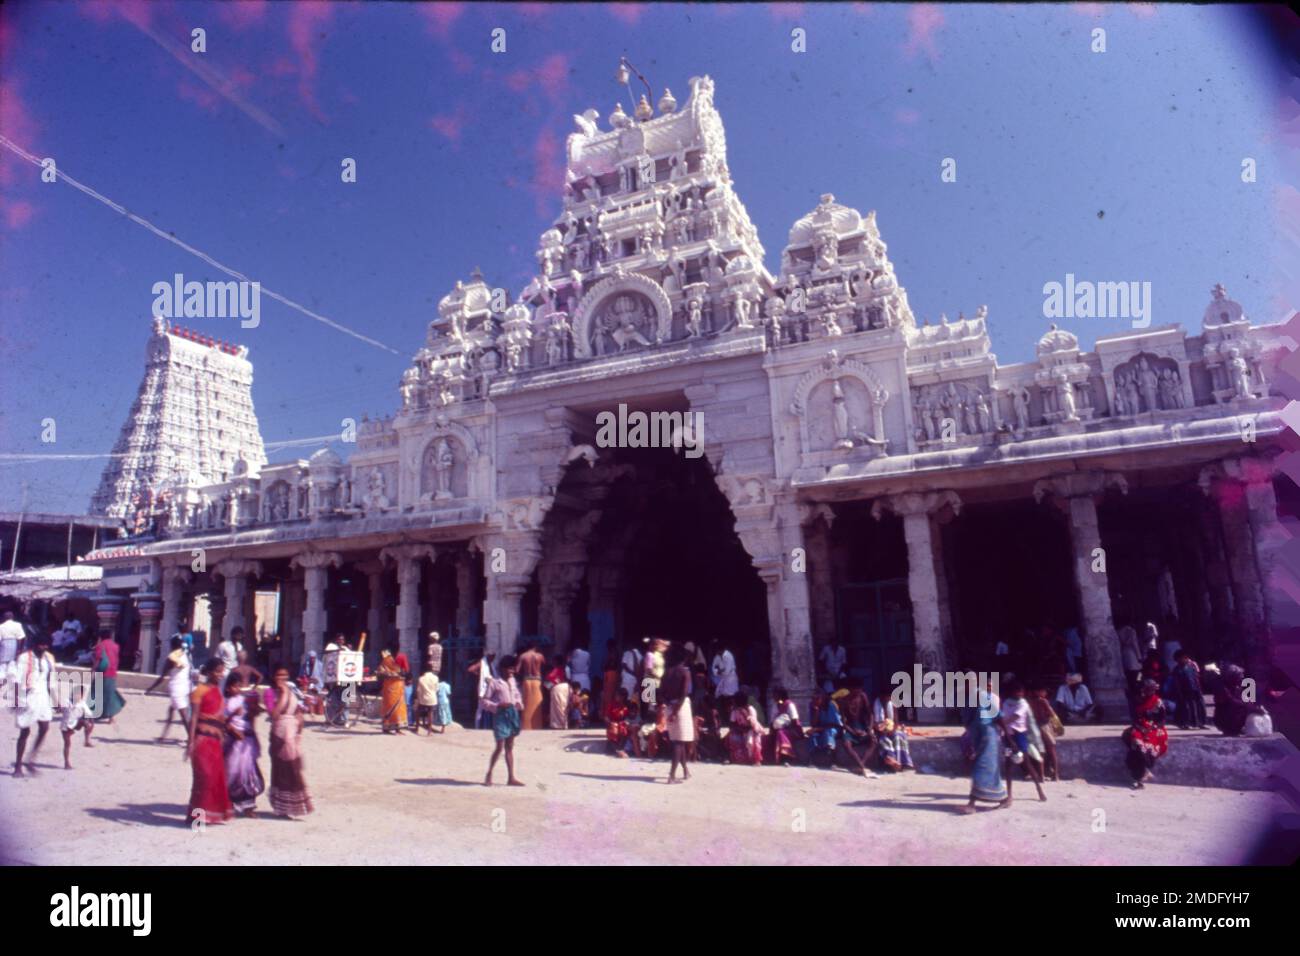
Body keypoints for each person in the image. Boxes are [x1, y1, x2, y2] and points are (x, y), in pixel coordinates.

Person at [186, 659, 233, 825]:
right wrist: (190, 742)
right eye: (217, 671)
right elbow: (193, 718)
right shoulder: (199, 691)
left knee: (214, 778)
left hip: (215, 742)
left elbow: (220, 717)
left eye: (222, 672)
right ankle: (196, 817)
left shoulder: (217, 691)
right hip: (202, 740)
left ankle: (205, 815)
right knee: (203, 778)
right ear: (210, 672)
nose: (220, 675)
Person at [268, 666, 314, 817]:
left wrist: (299, 728)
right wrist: (284, 695)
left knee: (294, 769)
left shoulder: (291, 692)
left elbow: (299, 711)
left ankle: (295, 805)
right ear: (274, 677)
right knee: (282, 771)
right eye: (279, 676)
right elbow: (274, 715)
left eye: (285, 677)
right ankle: (282, 808)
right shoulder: (270, 693)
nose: (283, 680)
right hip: (279, 735)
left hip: (291, 735)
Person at [958, 683, 1009, 813]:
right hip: (977, 737)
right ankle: (1003, 799)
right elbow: (967, 721)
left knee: (980, 769)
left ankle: (971, 804)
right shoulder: (965, 699)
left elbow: (997, 716)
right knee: (990, 771)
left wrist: (1008, 736)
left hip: (988, 736)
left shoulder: (981, 696)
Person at [223, 673, 265, 818]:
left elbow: (250, 718)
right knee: (233, 774)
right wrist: (233, 728)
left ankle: (249, 807)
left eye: (239, 686)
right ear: (228, 688)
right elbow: (224, 722)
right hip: (235, 742)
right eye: (234, 686)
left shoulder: (244, 700)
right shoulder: (226, 703)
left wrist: (255, 712)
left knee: (249, 774)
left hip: (247, 741)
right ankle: (230, 803)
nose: (238, 688)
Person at [12, 635, 54, 776]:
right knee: (25, 732)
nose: (43, 648)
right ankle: (18, 766)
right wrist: (17, 700)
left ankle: (30, 759)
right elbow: (17, 680)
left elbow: (50, 680)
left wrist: (55, 699)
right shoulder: (25, 658)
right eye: (41, 645)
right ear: (35, 645)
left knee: (45, 727)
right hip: (28, 696)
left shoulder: (48, 659)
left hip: (43, 697)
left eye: (45, 645)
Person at [999, 680, 1047, 801]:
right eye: (1017, 692)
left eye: (1021, 692)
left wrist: (999, 723)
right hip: (1008, 736)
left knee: (1026, 762)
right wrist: (1003, 728)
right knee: (1008, 764)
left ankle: (1039, 789)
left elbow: (1013, 717)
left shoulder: (1023, 703)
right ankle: (1009, 795)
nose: (1019, 694)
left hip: (1020, 735)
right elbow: (1004, 716)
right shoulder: (1007, 702)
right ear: (1012, 692)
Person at [482, 654, 524, 786]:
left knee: (510, 747)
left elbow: (517, 695)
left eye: (513, 669)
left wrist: (518, 703)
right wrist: (497, 706)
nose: (511, 671)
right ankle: (489, 774)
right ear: (502, 669)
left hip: (513, 715)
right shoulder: (494, 683)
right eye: (509, 669)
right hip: (500, 716)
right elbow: (484, 701)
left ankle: (511, 777)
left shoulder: (512, 681)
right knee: (499, 747)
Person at [1123, 678, 1168, 789]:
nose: (1145, 692)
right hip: (1140, 727)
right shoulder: (1137, 701)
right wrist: (1140, 728)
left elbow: (1162, 720)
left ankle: (1140, 774)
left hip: (1155, 729)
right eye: (1144, 690)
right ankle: (1139, 776)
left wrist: (1153, 727)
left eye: (1148, 690)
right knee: (1137, 744)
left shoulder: (1158, 702)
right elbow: (1134, 719)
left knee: (1149, 745)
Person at [147, 636, 193, 742]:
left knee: (184, 716)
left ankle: (191, 738)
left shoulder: (171, 659)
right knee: (171, 711)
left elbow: (162, 677)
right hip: (184, 686)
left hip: (177, 689)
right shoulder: (184, 655)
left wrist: (150, 688)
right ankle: (163, 736)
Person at [661, 645, 694, 783]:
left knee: (677, 740)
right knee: (679, 743)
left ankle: (685, 770)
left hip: (669, 706)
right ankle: (672, 775)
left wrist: (670, 706)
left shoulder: (666, 672)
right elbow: (684, 694)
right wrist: (675, 711)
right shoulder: (684, 672)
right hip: (681, 707)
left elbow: (661, 693)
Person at [1213, 664, 1265, 737]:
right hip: (1224, 718)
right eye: (1240, 675)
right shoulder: (1222, 688)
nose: (1242, 677)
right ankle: (1230, 728)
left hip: (1231, 715)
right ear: (1233, 676)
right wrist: (1250, 707)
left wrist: (1252, 704)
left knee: (1247, 707)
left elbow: (1242, 698)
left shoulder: (1236, 686)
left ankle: (1237, 728)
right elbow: (1231, 701)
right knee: (1242, 708)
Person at [89, 629, 127, 724]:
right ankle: (111, 717)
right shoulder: (116, 646)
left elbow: (98, 660)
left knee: (96, 692)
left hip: (102, 672)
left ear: (101, 637)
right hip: (112, 672)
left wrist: (92, 669)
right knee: (110, 694)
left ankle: (94, 714)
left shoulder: (100, 646)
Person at [839, 687, 879, 775]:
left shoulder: (862, 697)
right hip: (851, 728)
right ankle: (861, 766)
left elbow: (870, 714)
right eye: (857, 690)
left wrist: (869, 729)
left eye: (861, 690)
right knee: (846, 744)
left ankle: (861, 764)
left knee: (874, 741)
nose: (860, 692)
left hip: (863, 727)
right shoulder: (844, 701)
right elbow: (843, 723)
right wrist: (853, 731)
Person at [1027, 684, 1061, 782]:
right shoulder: (1043, 701)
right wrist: (1058, 726)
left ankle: (1041, 775)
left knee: (1040, 751)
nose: (1045, 693)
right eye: (1043, 691)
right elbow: (1051, 713)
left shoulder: (1030, 702)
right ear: (1038, 691)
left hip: (1035, 727)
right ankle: (1056, 775)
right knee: (1052, 750)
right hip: (1045, 726)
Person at [872, 694, 914, 772]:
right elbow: (874, 723)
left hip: (891, 729)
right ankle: (890, 759)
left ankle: (899, 762)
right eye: (886, 698)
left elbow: (896, 721)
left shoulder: (893, 704)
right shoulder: (875, 704)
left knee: (898, 737)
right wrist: (880, 729)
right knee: (885, 740)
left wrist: (892, 730)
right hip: (881, 731)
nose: (888, 699)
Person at [60, 681, 95, 769]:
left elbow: (89, 714)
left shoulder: (82, 703)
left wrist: (89, 723)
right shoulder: (67, 701)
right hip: (66, 726)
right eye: (77, 694)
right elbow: (60, 708)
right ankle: (66, 762)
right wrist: (59, 708)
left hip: (76, 723)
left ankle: (87, 740)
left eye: (80, 695)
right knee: (67, 743)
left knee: (88, 722)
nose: (78, 696)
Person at [1170, 650, 1206, 730]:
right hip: (1184, 691)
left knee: (1198, 706)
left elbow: (1196, 678)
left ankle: (1199, 722)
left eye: (1186, 657)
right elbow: (1177, 683)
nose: (1186, 659)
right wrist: (1179, 692)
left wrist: (1199, 689)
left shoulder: (1191, 667)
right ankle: (1186, 723)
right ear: (1178, 659)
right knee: (1186, 708)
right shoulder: (1177, 670)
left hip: (1195, 690)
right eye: (1183, 658)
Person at [725, 693, 765, 766]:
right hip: (740, 730)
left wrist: (745, 714)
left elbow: (753, 723)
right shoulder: (734, 711)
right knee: (730, 737)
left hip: (752, 729)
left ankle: (756, 760)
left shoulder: (750, 709)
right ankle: (731, 758)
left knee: (753, 740)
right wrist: (739, 729)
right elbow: (732, 724)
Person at [770, 686, 805, 766]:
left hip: (793, 729)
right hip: (779, 729)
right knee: (773, 735)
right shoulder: (775, 705)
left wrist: (785, 727)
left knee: (781, 733)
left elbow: (794, 720)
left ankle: (786, 757)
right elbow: (772, 722)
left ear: (781, 695)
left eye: (775, 695)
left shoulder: (789, 704)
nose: (773, 696)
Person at [517, 641, 546, 731]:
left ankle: (526, 726)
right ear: (535, 647)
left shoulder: (523, 656)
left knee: (526, 703)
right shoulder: (540, 656)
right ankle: (537, 725)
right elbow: (545, 667)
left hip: (526, 680)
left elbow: (517, 670)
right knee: (537, 704)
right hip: (537, 680)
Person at [377, 650, 407, 734]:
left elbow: (404, 672)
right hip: (390, 689)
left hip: (398, 688)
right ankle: (387, 728)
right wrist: (392, 674)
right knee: (389, 708)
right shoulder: (385, 663)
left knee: (398, 708)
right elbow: (380, 674)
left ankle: (397, 728)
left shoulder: (399, 661)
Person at [469, 651, 496, 730]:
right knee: (480, 709)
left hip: (491, 689)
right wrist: (481, 676)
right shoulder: (482, 663)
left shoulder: (491, 664)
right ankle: (477, 726)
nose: (493, 657)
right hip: (483, 690)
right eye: (491, 656)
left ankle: (488, 726)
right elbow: (470, 670)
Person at [546, 654, 571, 729]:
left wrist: (548, 687)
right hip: (566, 687)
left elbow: (549, 680)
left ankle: (558, 724)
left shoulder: (556, 670)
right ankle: (564, 724)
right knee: (564, 706)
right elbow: (569, 679)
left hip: (558, 688)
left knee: (558, 707)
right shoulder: (567, 668)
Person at [606, 686, 632, 757]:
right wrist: (610, 722)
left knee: (624, 728)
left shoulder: (628, 705)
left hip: (623, 722)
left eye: (618, 695)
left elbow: (630, 716)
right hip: (613, 722)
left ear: (623, 697)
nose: (616, 697)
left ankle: (621, 748)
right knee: (614, 729)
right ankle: (617, 749)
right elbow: (606, 717)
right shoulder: (612, 704)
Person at [415, 664, 440, 734]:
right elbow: (437, 689)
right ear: (431, 669)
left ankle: (417, 728)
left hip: (423, 698)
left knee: (418, 711)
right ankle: (429, 730)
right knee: (430, 712)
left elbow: (418, 690)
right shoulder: (436, 678)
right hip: (432, 698)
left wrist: (418, 699)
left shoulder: (421, 678)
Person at [600, 640, 620, 722]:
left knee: (609, 696)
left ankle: (608, 715)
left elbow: (608, 663)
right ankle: (608, 715)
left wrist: (605, 664)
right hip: (610, 674)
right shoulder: (614, 653)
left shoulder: (613, 653)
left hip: (611, 674)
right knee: (609, 696)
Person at [1118, 624, 1142, 692]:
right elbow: (1135, 644)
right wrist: (1139, 656)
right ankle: (1138, 684)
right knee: (1139, 672)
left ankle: (1131, 687)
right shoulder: (1131, 630)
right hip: (1133, 654)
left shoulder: (1119, 631)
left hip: (1124, 653)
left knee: (1128, 673)